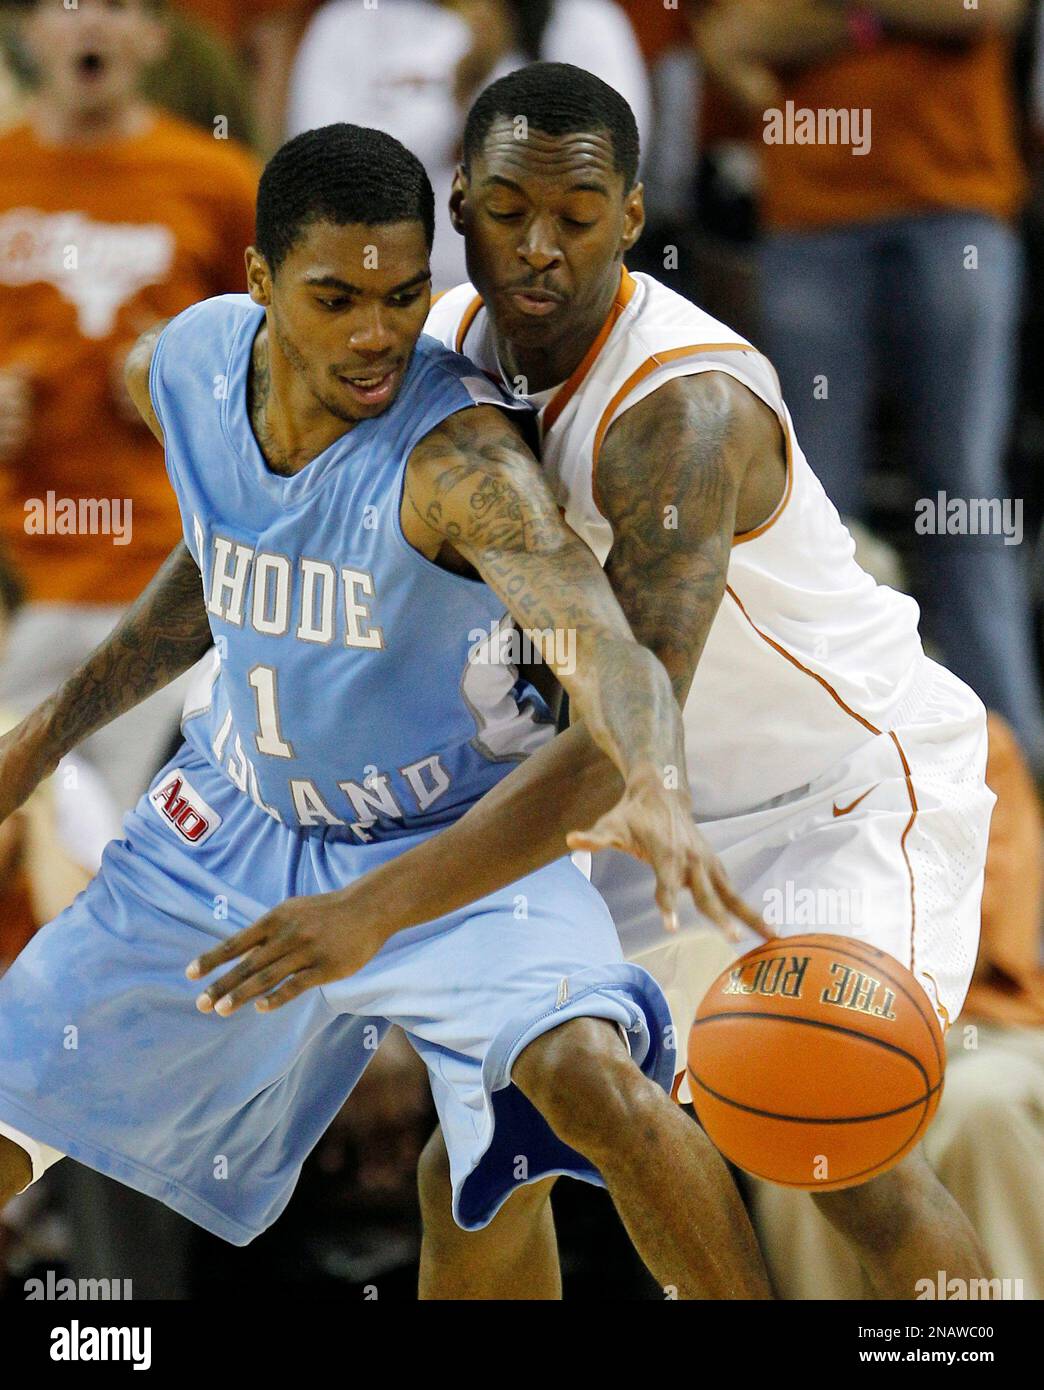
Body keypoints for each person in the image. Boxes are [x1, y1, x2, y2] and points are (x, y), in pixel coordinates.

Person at [199, 64, 997, 1300]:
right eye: (509, 211)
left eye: (577, 219)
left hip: (831, 796)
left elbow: (633, 723)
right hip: (624, 824)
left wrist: (374, 907)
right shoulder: (435, 349)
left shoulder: (682, 416)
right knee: (486, 1155)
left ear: (631, 218)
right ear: (460, 204)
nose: (540, 250)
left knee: (828, 1126)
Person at [0, 121, 773, 1301]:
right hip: (234, 816)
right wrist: (41, 743)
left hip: (451, 844)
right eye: (335, 297)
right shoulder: (189, 369)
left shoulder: (460, 460)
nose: (376, 334)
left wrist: (653, 780)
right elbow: (222, 560)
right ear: (259, 285)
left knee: (589, 1079)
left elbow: (601, 641)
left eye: (405, 295)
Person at [691, 0, 1044, 776]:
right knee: (811, 504)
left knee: (964, 495)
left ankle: (1013, 762)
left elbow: (990, 11)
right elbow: (727, 39)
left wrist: (832, 21)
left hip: (958, 202)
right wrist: (884, 19)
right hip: (813, 214)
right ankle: (816, 764)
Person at [0, 0, 260, 812]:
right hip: (16, 573)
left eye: (115, 7)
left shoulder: (221, 181)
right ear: (27, 29)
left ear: (154, 35)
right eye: (65, 6)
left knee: (115, 841)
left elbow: (295, 370)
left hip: (161, 570)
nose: (90, 26)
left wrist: (189, 383)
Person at [285, 0, 650, 290]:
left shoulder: (584, 21)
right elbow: (325, 175)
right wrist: (454, 101)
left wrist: (505, 64)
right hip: (385, 286)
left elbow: (614, 161)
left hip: (544, 288)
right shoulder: (349, 23)